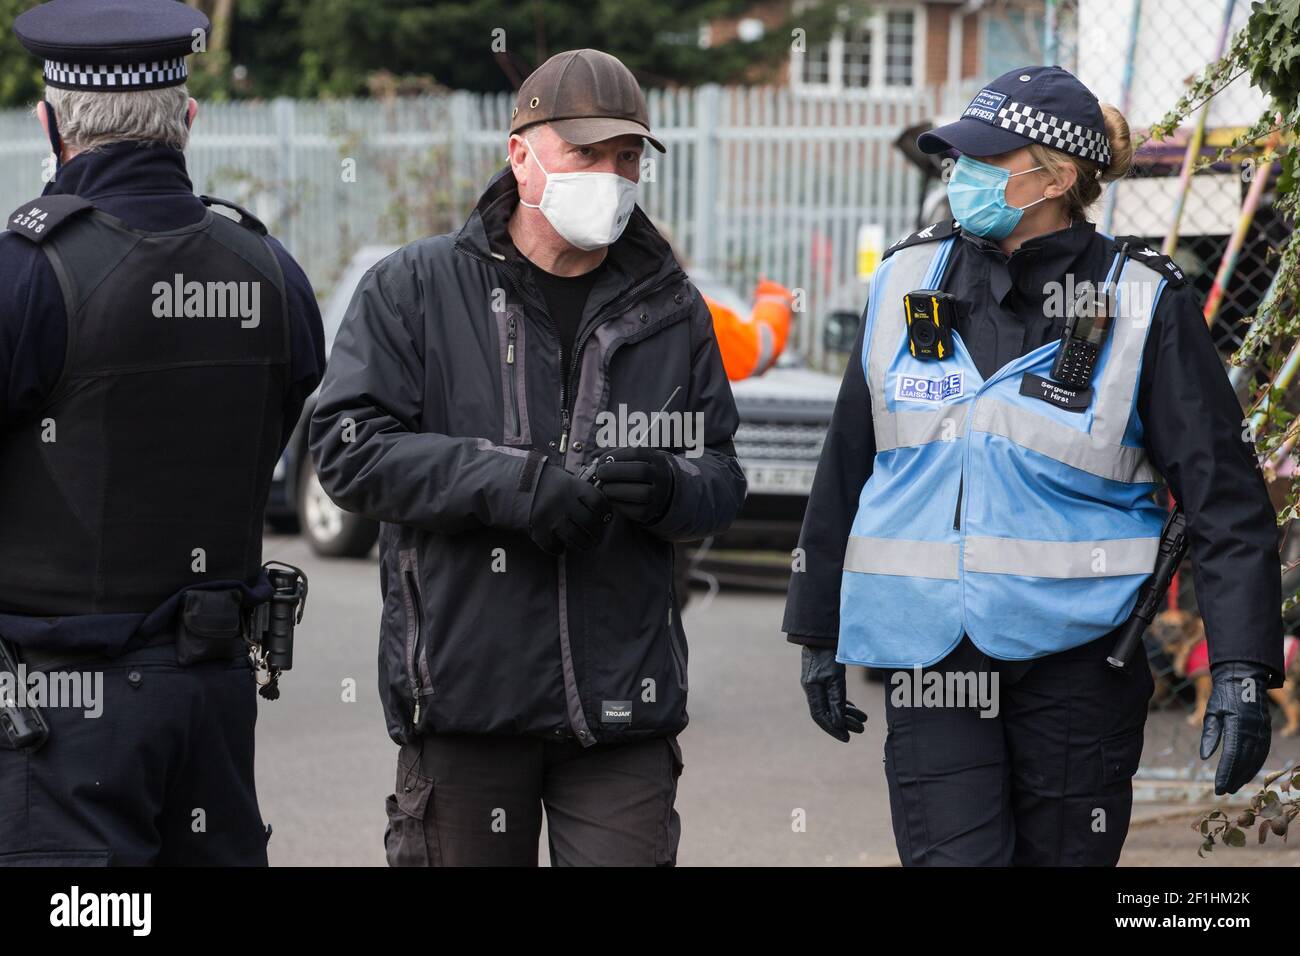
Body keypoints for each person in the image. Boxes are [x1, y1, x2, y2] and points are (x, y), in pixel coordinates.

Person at [783, 65, 1284, 866]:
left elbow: (1225, 501)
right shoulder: (906, 280)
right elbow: (850, 461)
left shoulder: (1142, 302)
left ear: (1054, 176)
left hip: (1079, 664)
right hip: (932, 654)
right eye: (958, 157)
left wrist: (1241, 668)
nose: (961, 174)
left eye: (986, 158)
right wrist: (816, 626)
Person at [310, 48, 745, 867]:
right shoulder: (415, 288)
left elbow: (720, 475)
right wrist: (510, 483)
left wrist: (667, 486)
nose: (611, 176)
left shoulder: (672, 308)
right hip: (466, 703)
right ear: (521, 154)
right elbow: (348, 450)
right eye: (586, 154)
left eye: (627, 158)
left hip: (622, 707)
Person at [0, 0, 325, 866]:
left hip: (57, 718)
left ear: (50, 124)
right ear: (186, 119)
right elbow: (271, 431)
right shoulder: (271, 271)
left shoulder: (25, 276)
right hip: (212, 697)